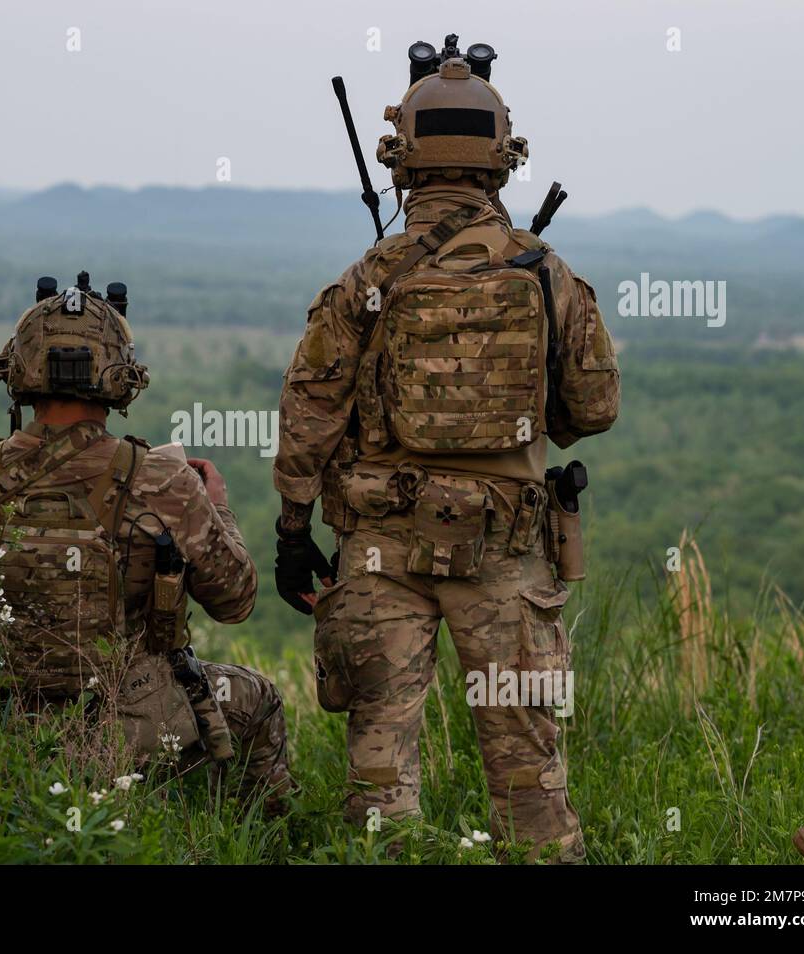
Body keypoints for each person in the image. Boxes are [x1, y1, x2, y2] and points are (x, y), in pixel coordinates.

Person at [273, 50, 621, 861]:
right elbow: (595, 409)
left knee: (379, 778)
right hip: (502, 553)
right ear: (504, 159)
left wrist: (294, 532)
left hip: (377, 551)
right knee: (527, 772)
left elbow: (310, 413)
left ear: (401, 162)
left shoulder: (369, 276)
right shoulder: (544, 272)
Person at [0, 275, 292, 810]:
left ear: (19, 369)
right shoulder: (161, 479)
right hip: (127, 719)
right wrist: (216, 506)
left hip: (3, 717)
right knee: (257, 698)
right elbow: (236, 601)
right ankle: (239, 837)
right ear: (120, 376)